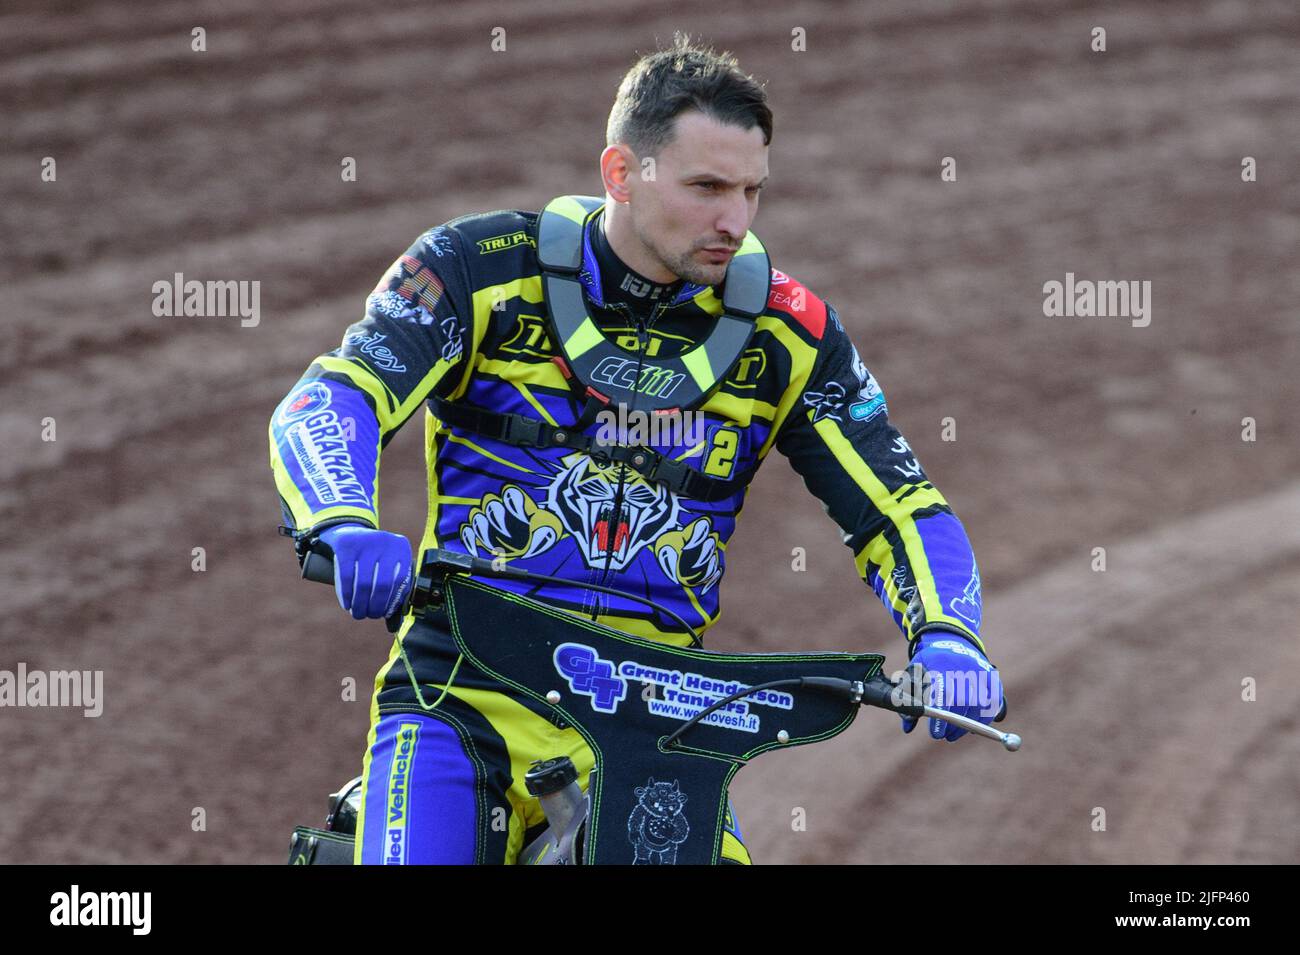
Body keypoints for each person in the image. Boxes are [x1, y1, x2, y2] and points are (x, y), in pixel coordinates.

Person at [268, 33, 1004, 865]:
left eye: (753, 191)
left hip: (657, 715)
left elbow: (900, 504)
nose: (736, 219)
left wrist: (949, 633)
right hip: (457, 693)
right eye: (707, 187)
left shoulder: (790, 332)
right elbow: (337, 394)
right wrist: (337, 517)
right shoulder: (475, 269)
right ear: (622, 173)